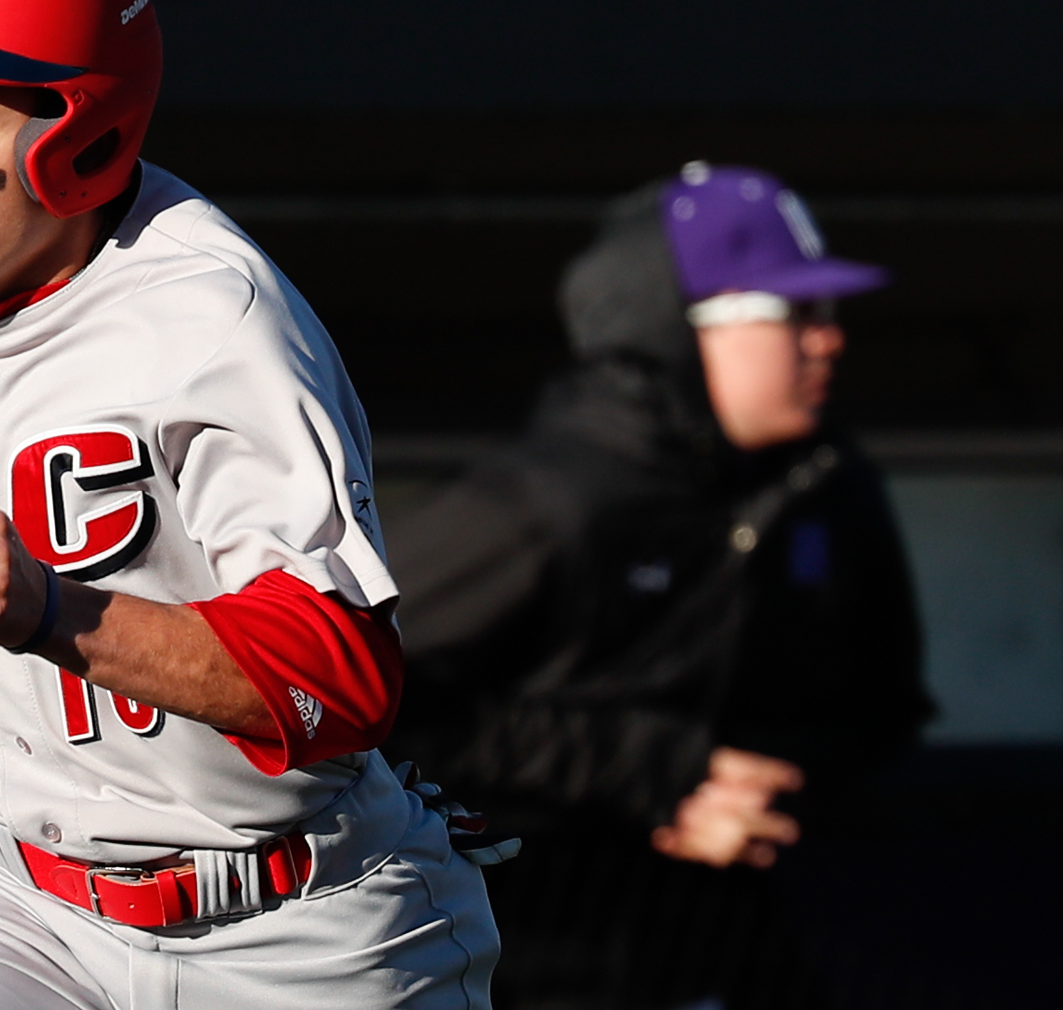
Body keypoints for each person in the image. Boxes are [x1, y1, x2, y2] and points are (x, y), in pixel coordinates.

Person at [0, 0, 500, 1009]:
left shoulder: (215, 321)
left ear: (83, 137)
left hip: (292, 922)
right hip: (5, 894)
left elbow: (341, 679)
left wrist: (51, 609)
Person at [382, 163, 935, 1009]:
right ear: (676, 331)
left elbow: (884, 707)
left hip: (740, 941)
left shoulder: (827, 485)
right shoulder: (549, 506)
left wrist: (765, 780)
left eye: (828, 312)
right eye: (793, 312)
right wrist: (659, 773)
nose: (829, 338)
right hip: (526, 949)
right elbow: (358, 699)